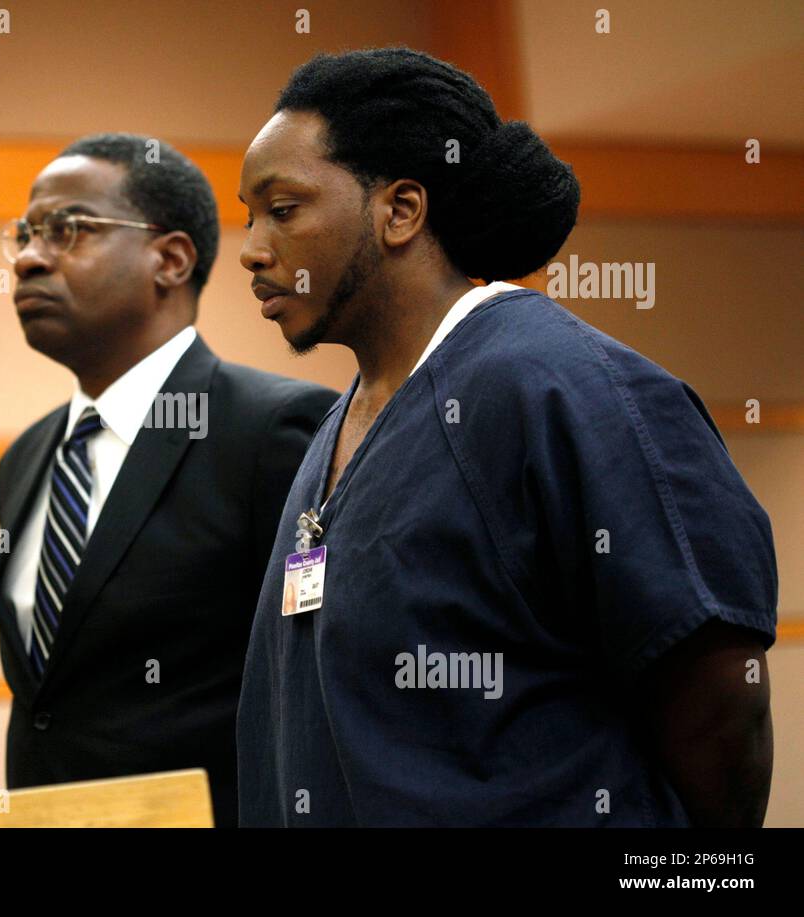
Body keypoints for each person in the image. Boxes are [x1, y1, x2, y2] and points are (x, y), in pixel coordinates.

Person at [235, 48, 777, 827]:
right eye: (250, 215)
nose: (252, 247)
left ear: (400, 211)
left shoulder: (560, 388)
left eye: (282, 209)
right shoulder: (338, 427)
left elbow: (720, 707)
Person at [0, 132, 338, 826]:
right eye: (25, 235)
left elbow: (316, 686)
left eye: (67, 230)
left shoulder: (274, 431)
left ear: (170, 259)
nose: (27, 258)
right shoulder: (25, 458)